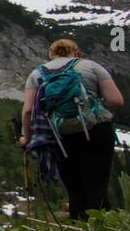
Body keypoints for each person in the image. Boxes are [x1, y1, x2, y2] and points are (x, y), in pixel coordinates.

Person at [17, 39, 124, 220]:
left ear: (51, 54)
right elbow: (116, 100)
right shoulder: (91, 66)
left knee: (74, 188)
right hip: (97, 130)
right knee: (97, 184)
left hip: (62, 137)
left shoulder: (37, 74)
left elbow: (28, 111)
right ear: (76, 52)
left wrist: (26, 138)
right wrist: (94, 103)